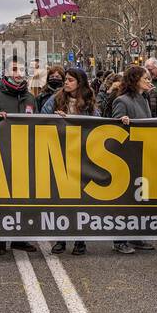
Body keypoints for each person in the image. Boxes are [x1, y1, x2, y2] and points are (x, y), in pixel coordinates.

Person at [0, 60, 37, 255]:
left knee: (24, 199)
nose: (19, 73)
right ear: (6, 72)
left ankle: (20, 239)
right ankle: (0, 240)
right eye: (14, 69)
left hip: (25, 154)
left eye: (22, 69)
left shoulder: (31, 98)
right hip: (2, 153)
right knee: (3, 199)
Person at [43, 67, 95, 256]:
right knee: (61, 199)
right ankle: (61, 239)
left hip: (81, 154)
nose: (66, 83)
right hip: (60, 153)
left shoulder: (89, 101)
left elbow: (96, 124)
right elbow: (42, 119)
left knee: (81, 200)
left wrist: (73, 120)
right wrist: (55, 120)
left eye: (70, 80)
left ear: (79, 83)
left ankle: (80, 240)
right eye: (66, 79)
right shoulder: (56, 99)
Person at [108, 65, 157, 255]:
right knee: (126, 200)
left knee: (140, 198)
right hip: (127, 158)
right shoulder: (122, 101)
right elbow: (116, 127)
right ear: (135, 79)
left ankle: (136, 236)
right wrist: (123, 122)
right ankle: (119, 239)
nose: (148, 81)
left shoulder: (143, 99)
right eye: (145, 78)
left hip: (142, 156)